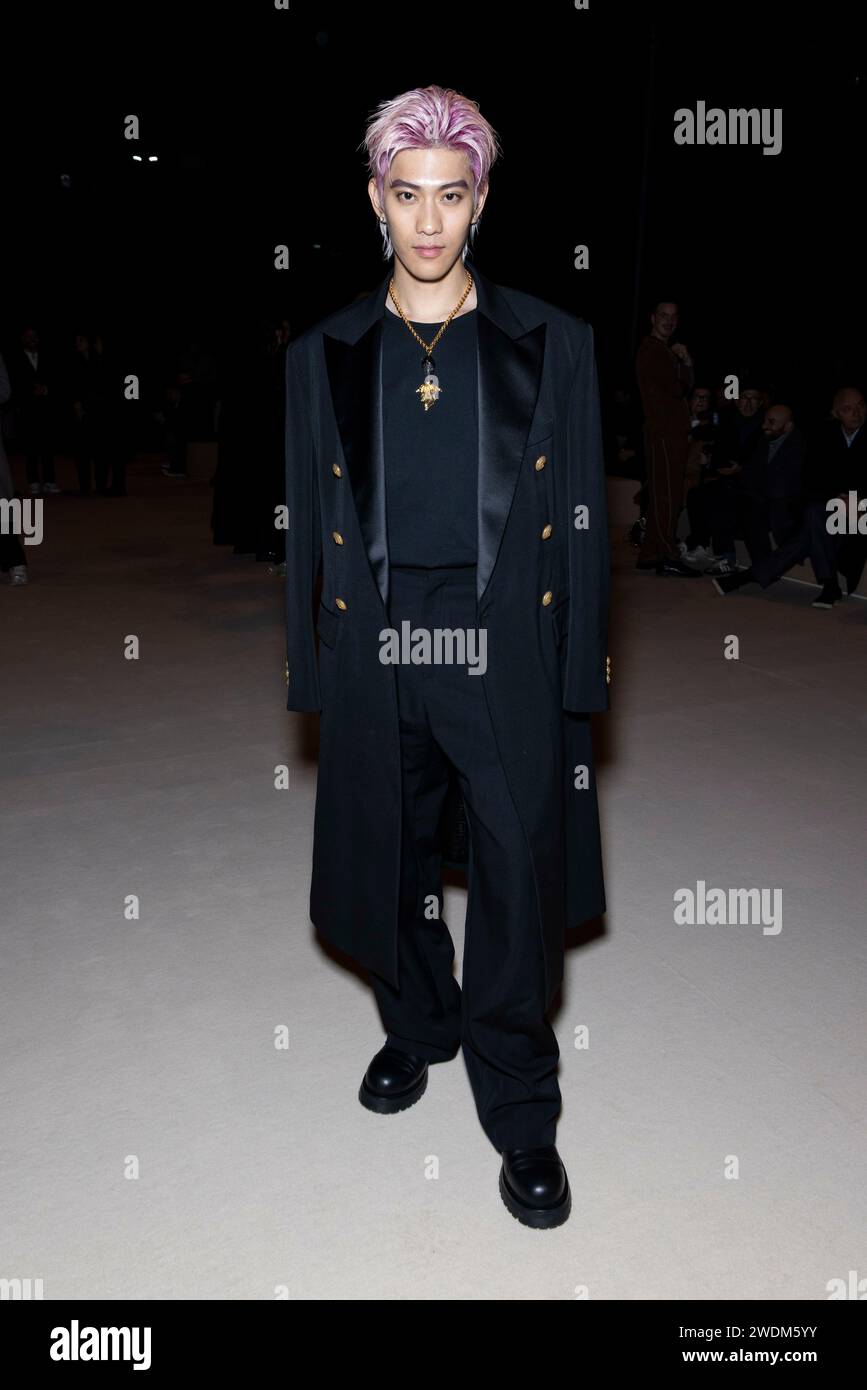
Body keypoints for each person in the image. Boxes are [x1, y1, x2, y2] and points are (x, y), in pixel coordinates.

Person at [283, 85, 611, 1229]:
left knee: (519, 871)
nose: (430, 221)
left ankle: (521, 1106)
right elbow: (307, 535)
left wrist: (579, 679)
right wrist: (312, 673)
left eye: (452, 195)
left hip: (501, 647)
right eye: (407, 194)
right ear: (378, 198)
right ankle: (416, 1024)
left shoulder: (552, 344)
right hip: (376, 650)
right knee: (391, 853)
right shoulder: (322, 352)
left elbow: (578, 518)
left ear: (480, 201)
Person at [713, 386, 866, 607]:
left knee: (812, 522)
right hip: (837, 509)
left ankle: (755, 575)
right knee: (814, 514)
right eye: (848, 409)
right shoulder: (827, 436)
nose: (857, 413)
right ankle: (829, 584)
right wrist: (839, 498)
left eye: (861, 406)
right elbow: (813, 480)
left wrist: (860, 501)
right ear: (835, 414)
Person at [634, 301, 701, 575]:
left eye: (674, 317)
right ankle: (667, 553)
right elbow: (679, 388)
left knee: (663, 492)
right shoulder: (654, 350)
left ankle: (651, 553)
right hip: (665, 433)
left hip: (664, 432)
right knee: (668, 495)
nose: (668, 320)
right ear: (652, 318)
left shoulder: (659, 350)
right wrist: (685, 362)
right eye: (663, 315)